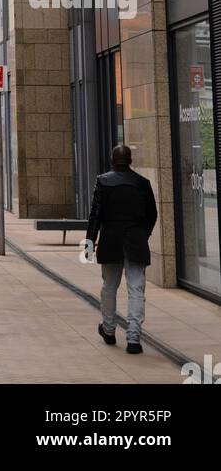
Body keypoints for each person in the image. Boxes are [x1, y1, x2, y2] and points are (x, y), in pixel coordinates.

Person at [86, 143, 158, 355]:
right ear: (130, 161)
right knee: (136, 289)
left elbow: (95, 216)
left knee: (109, 286)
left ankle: (108, 330)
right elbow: (152, 214)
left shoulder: (103, 182)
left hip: (110, 241)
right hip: (136, 241)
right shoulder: (142, 183)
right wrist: (143, 234)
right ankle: (133, 337)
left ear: (112, 160)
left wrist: (89, 243)